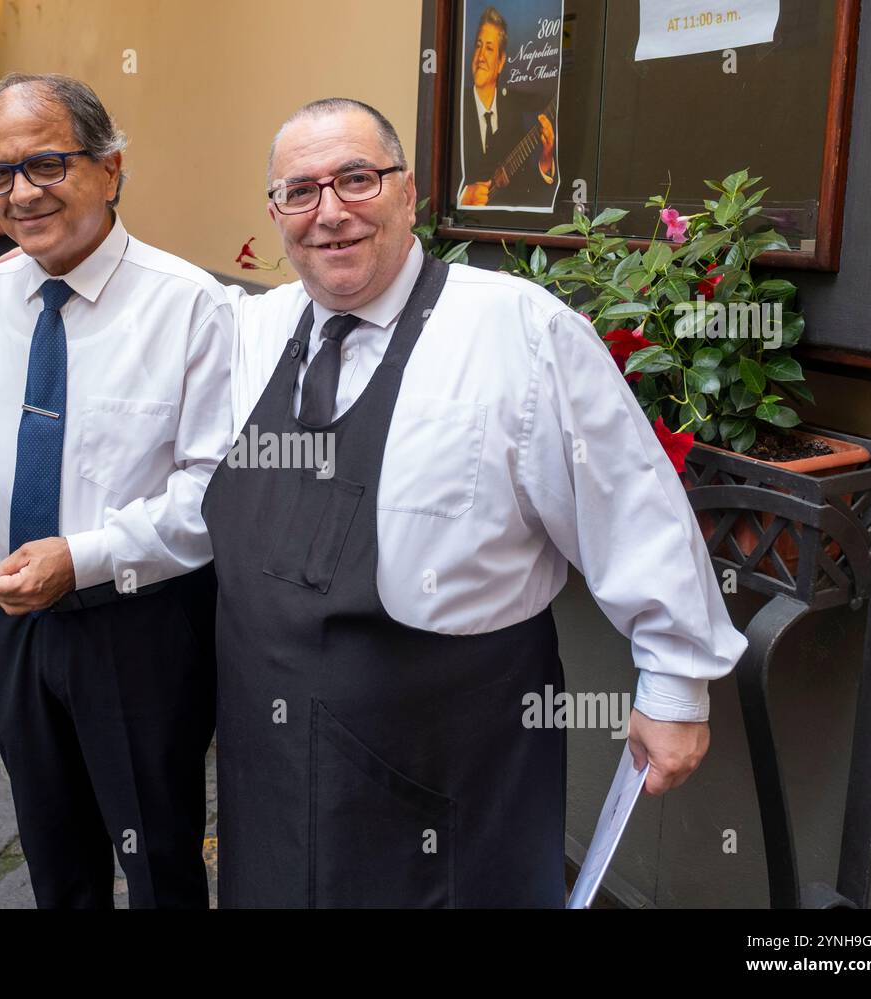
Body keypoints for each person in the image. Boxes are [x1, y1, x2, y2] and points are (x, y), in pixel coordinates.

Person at [204, 98, 747, 907]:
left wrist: (674, 684)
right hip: (267, 756)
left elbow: (630, 503)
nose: (331, 212)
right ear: (276, 213)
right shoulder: (249, 331)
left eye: (357, 178)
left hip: (447, 762)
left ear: (409, 191)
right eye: (301, 191)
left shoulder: (519, 331)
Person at [0, 73, 231, 909]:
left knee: (158, 858)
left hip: (141, 624)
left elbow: (213, 493)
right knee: (53, 850)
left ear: (111, 169)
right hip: (12, 619)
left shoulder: (190, 307)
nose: (20, 193)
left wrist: (80, 557)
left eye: (47, 164)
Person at [456, 6, 556, 209]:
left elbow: (524, 185)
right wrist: (462, 197)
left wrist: (546, 158)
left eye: (489, 48)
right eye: (478, 45)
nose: (481, 56)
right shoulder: (456, 108)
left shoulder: (512, 112)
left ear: (501, 62)